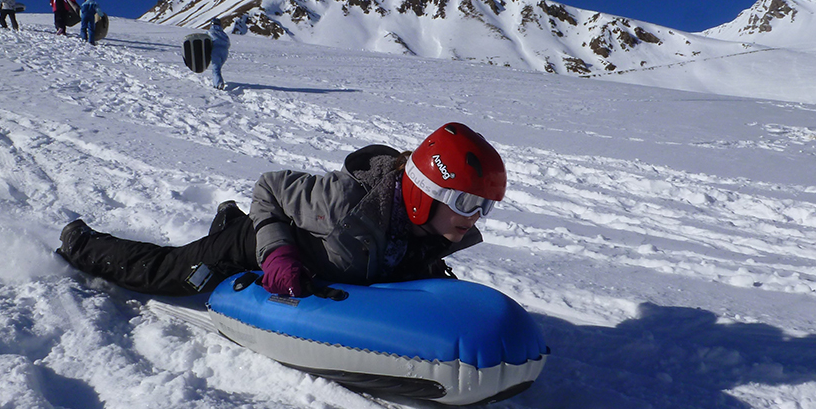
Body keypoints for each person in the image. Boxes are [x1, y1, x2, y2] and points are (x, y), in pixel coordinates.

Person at [55, 122, 507, 298]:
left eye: (484, 206)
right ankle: (82, 243)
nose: (475, 217)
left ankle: (228, 219)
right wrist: (277, 254)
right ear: (424, 193)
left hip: (314, 250)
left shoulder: (431, 231)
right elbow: (269, 188)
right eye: (467, 203)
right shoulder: (345, 201)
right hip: (261, 244)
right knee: (165, 274)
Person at [208, 17, 230, 89]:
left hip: (215, 51)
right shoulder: (223, 34)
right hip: (225, 52)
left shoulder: (210, 32)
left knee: (216, 69)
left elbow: (204, 41)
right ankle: (216, 82)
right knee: (218, 68)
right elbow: (228, 43)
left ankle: (218, 84)